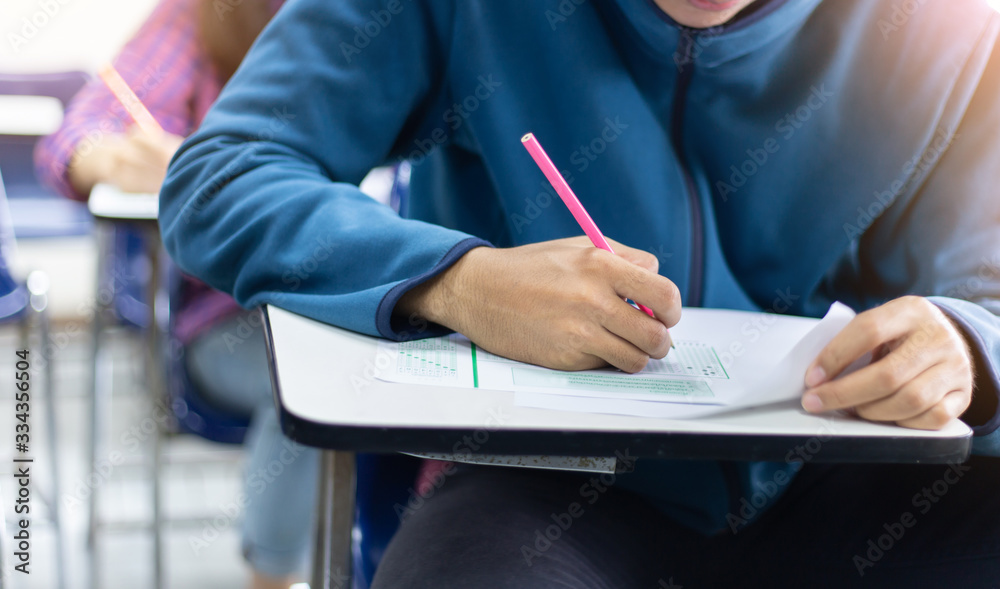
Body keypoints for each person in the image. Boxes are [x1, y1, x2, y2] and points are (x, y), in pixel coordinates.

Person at [159, 0, 1000, 585]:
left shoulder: (957, 26)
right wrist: (461, 281)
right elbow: (221, 177)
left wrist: (969, 344)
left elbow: (988, 296)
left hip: (865, 483)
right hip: (550, 486)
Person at [33, 1, 316, 588]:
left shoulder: (399, 24)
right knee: (307, 382)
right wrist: (115, 157)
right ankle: (274, 578)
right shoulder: (197, 18)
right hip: (231, 319)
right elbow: (75, 140)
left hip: (369, 306)